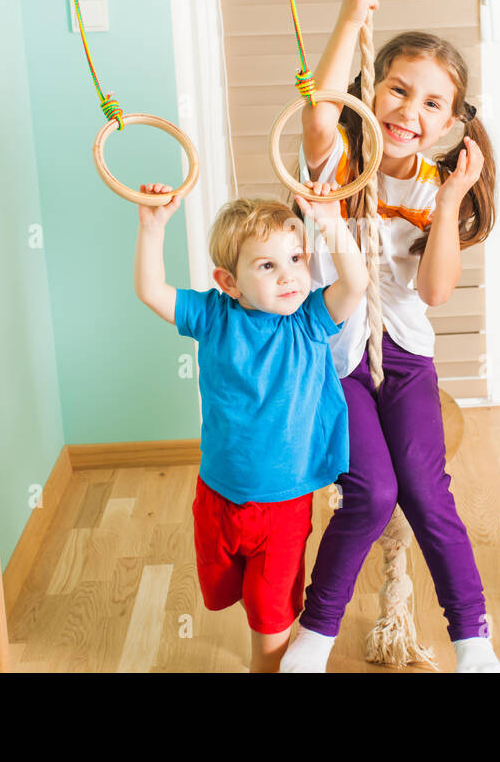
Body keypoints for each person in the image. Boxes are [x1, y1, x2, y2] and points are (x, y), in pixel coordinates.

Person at [280, 0, 500, 672]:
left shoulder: (444, 184)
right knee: (372, 493)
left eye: (433, 103)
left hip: (403, 356)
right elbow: (319, 109)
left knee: (426, 495)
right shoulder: (341, 158)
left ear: (451, 122)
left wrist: (448, 202)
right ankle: (311, 643)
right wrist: (350, 14)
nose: (410, 112)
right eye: (398, 90)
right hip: (333, 354)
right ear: (369, 92)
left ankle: (474, 644)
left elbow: (435, 293)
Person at [132, 180, 368, 671]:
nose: (289, 277)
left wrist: (330, 223)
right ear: (229, 282)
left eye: (296, 260)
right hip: (217, 495)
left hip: (283, 505)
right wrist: (152, 227)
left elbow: (356, 284)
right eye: (268, 265)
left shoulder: (309, 319)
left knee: (269, 619)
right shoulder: (213, 316)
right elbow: (151, 291)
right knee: (223, 591)